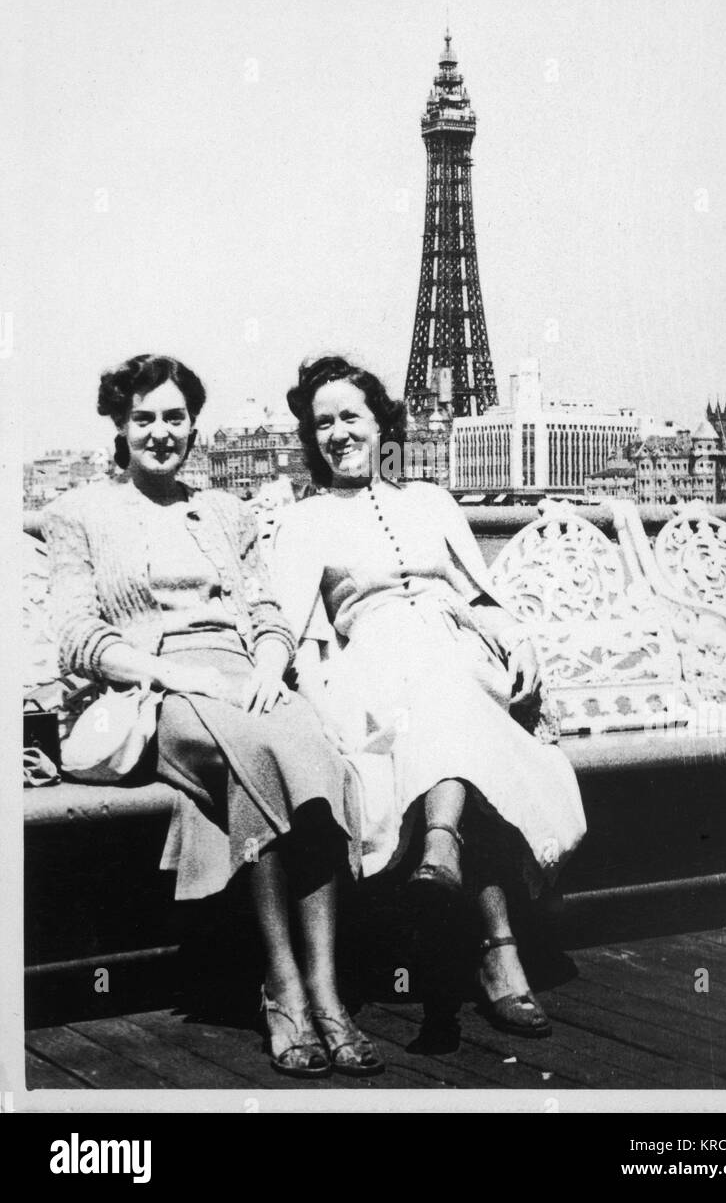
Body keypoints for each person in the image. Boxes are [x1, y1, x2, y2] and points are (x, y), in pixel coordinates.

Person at [42, 353, 382, 1078]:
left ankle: (324, 990)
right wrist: (179, 674)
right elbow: (75, 634)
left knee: (312, 747)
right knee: (253, 754)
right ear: (119, 426)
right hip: (154, 692)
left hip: (243, 677)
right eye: (145, 419)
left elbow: (264, 608)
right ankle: (286, 987)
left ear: (193, 425)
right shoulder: (80, 513)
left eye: (174, 417)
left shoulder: (226, 512)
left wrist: (265, 666)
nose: (161, 432)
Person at [273, 355, 587, 1038]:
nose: (337, 434)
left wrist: (520, 636)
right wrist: (315, 699)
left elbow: (480, 599)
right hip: (378, 666)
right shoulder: (305, 522)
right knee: (439, 688)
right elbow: (295, 634)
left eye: (350, 416)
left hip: (456, 652)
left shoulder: (432, 502)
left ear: (383, 423)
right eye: (321, 423)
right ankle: (495, 944)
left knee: (447, 683)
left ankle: (441, 849)